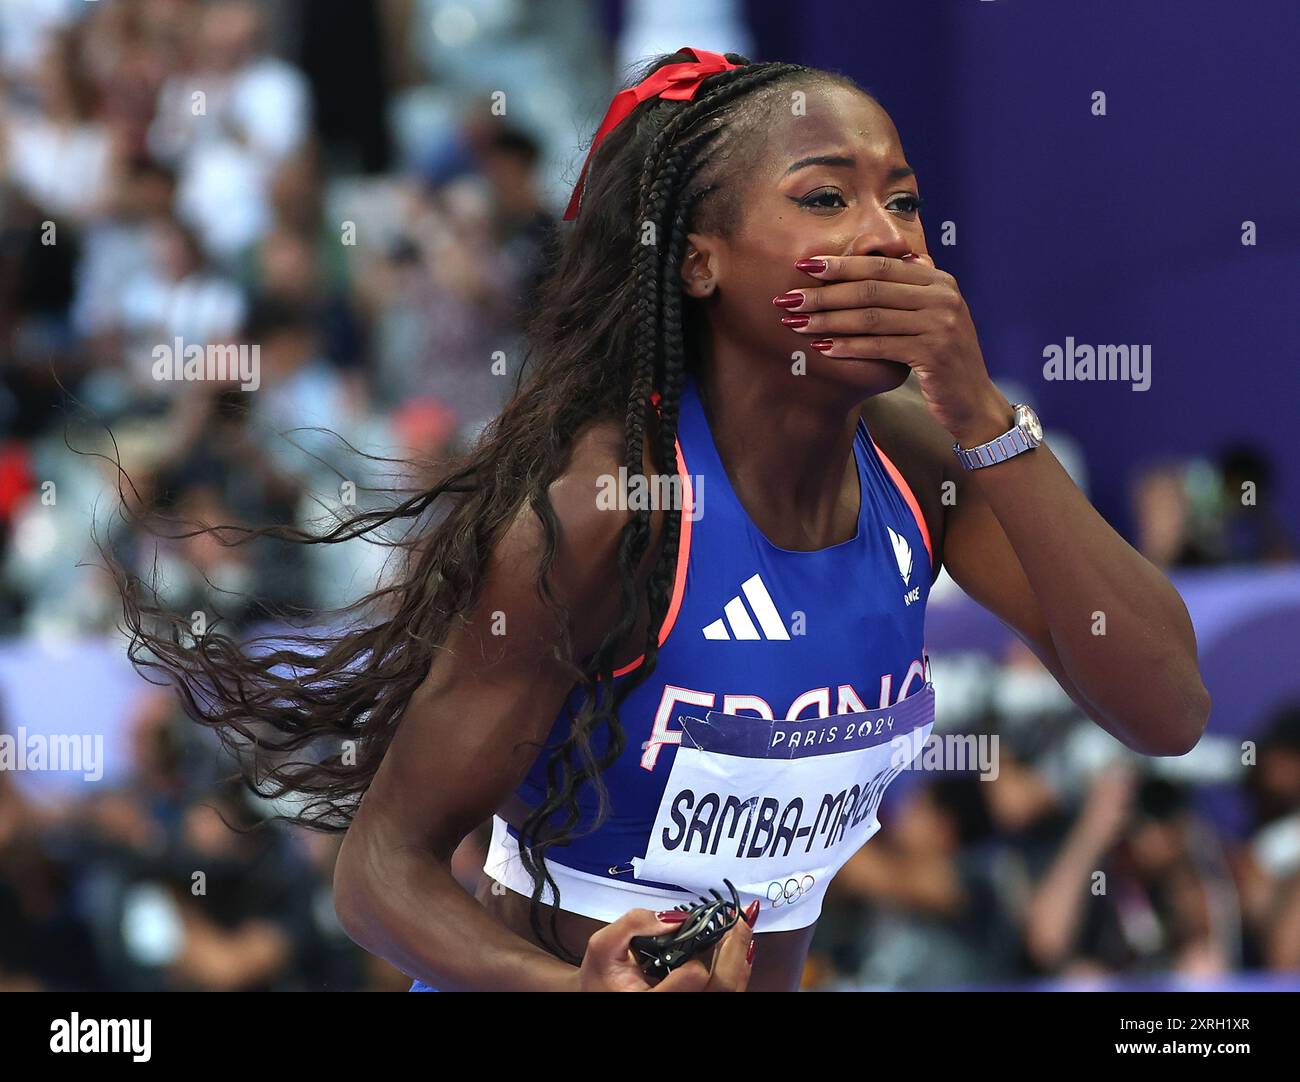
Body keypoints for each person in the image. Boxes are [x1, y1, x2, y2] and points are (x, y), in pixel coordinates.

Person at [107, 49, 1210, 992]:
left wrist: (982, 417)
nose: (889, 238)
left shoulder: (919, 459)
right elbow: (380, 871)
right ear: (697, 258)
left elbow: (1164, 706)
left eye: (905, 200)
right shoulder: (608, 511)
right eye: (827, 198)